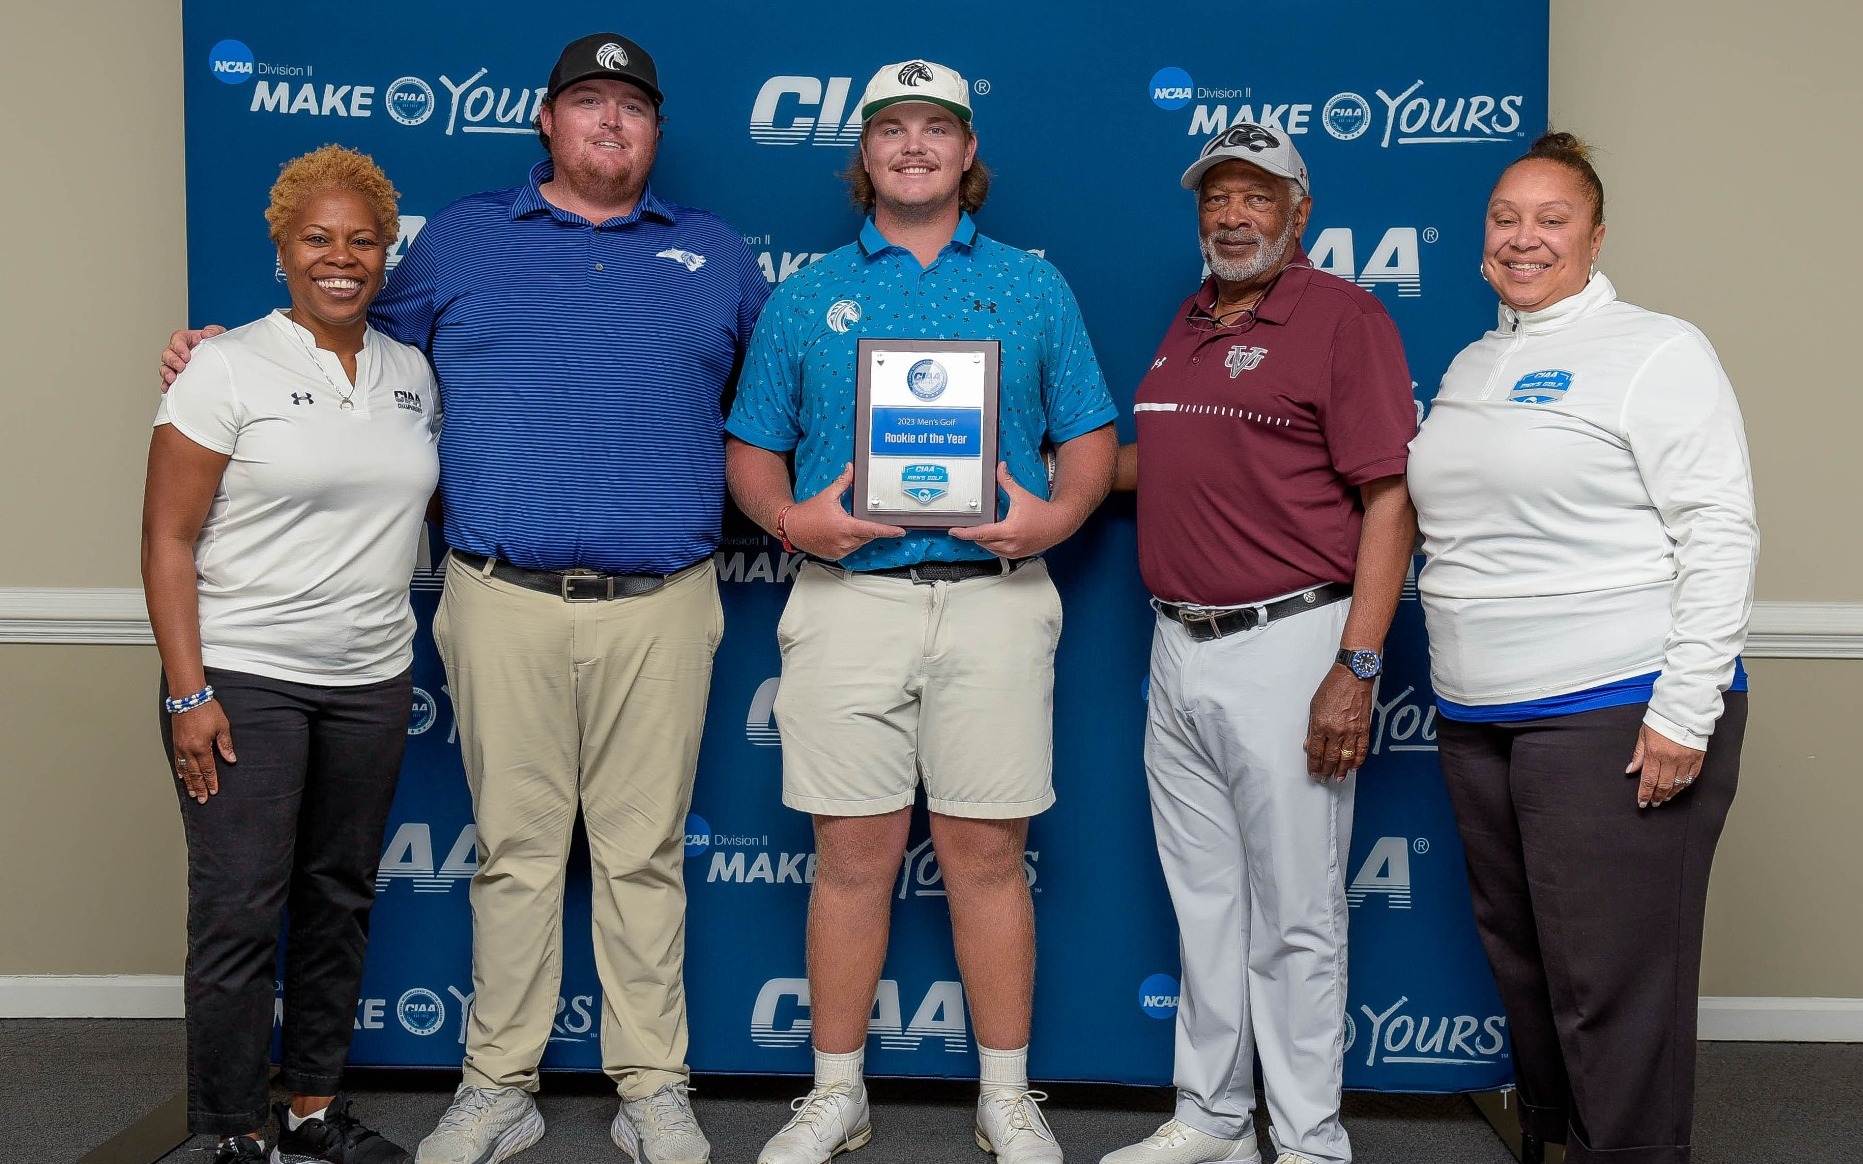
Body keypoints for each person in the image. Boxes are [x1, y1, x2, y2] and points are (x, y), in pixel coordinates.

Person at [160, 33, 768, 1164]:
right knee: (516, 853)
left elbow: (774, 404)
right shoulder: (461, 241)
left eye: (632, 107)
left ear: (655, 129)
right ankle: (499, 1085)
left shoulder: (719, 255)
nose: (610, 121)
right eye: (587, 102)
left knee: (643, 854)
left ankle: (653, 1086)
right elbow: (337, 349)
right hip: (501, 595)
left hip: (665, 598)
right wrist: (212, 351)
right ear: (548, 121)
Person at [724, 59, 1118, 1164]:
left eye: (934, 128)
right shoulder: (806, 295)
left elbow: (1089, 432)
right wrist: (792, 520)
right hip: (850, 600)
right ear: (864, 153)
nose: (912, 146)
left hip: (995, 599)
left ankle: (1006, 1096)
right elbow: (751, 447)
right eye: (890, 128)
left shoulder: (1033, 287)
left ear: (967, 152)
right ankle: (834, 1093)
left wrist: (1057, 515)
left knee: (986, 856)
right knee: (852, 857)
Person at [1407, 131, 1757, 1164]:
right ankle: (1556, 1146)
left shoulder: (1656, 349)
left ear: (1595, 238)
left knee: (1610, 987)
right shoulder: (1473, 362)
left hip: (1613, 706)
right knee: (1527, 969)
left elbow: (1719, 531)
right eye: (1506, 218)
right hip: (1477, 714)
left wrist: (1682, 711)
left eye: (1552, 220)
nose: (1525, 238)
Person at [1103, 124, 1418, 1164]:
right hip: (1178, 643)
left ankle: (1311, 1140)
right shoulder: (1191, 317)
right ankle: (1213, 1119)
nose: (1233, 216)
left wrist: (1356, 664)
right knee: (1205, 905)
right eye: (1217, 198)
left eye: (1257, 196)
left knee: (1295, 914)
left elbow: (1390, 500)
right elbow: (1175, 459)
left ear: (1299, 211)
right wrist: (1020, 475)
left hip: (1292, 639)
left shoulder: (1343, 317)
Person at [143, 145, 436, 1164]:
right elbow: (167, 538)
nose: (340, 257)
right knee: (238, 909)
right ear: (283, 249)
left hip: (370, 679)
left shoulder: (412, 373)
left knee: (338, 899)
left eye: (363, 240)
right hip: (243, 676)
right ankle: (232, 1129)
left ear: (388, 252)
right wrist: (189, 696)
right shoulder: (223, 366)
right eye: (317, 238)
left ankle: (312, 1112)